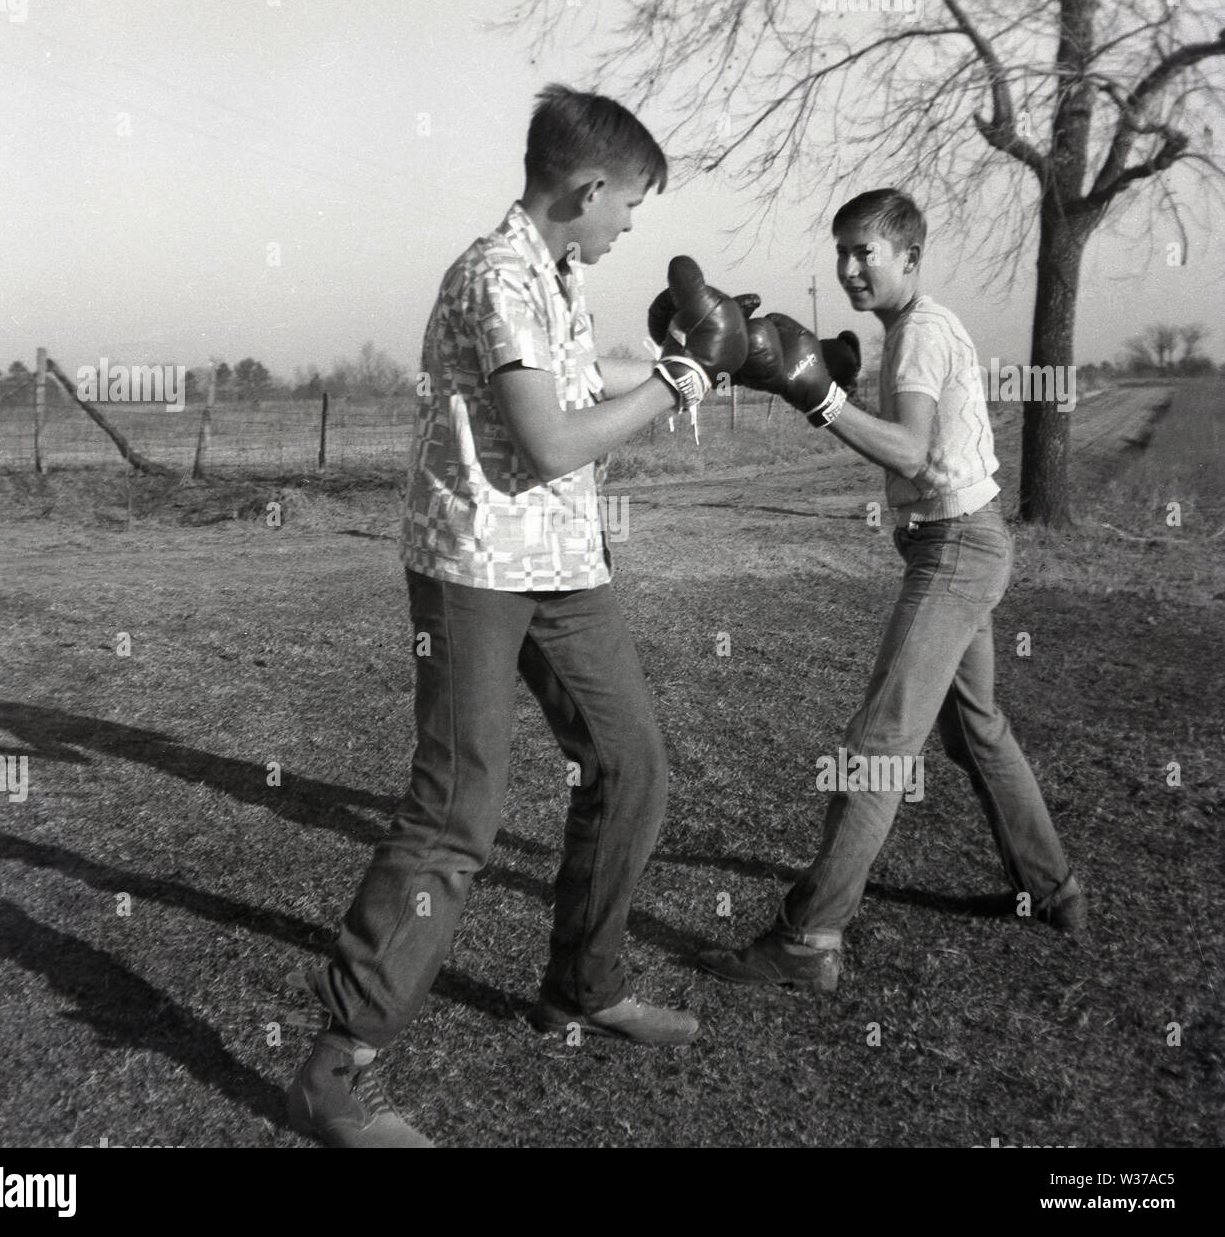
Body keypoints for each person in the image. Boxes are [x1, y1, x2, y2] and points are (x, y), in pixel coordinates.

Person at [288, 84, 748, 1147]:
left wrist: (668, 364)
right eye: (628, 204)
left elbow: (568, 425)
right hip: (474, 572)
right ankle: (336, 1070)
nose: (631, 226)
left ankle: (581, 987)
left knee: (631, 762)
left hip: (560, 564)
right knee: (458, 809)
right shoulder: (496, 275)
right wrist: (674, 384)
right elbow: (547, 441)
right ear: (587, 188)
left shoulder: (556, 275)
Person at [700, 187, 1086, 995]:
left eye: (863, 253)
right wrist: (778, 362)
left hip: (952, 551)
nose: (847, 268)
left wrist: (821, 395)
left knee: (878, 747)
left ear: (909, 257)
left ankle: (809, 937)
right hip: (968, 542)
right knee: (976, 730)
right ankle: (1053, 892)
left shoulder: (915, 337)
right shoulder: (926, 326)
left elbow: (909, 451)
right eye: (840, 251)